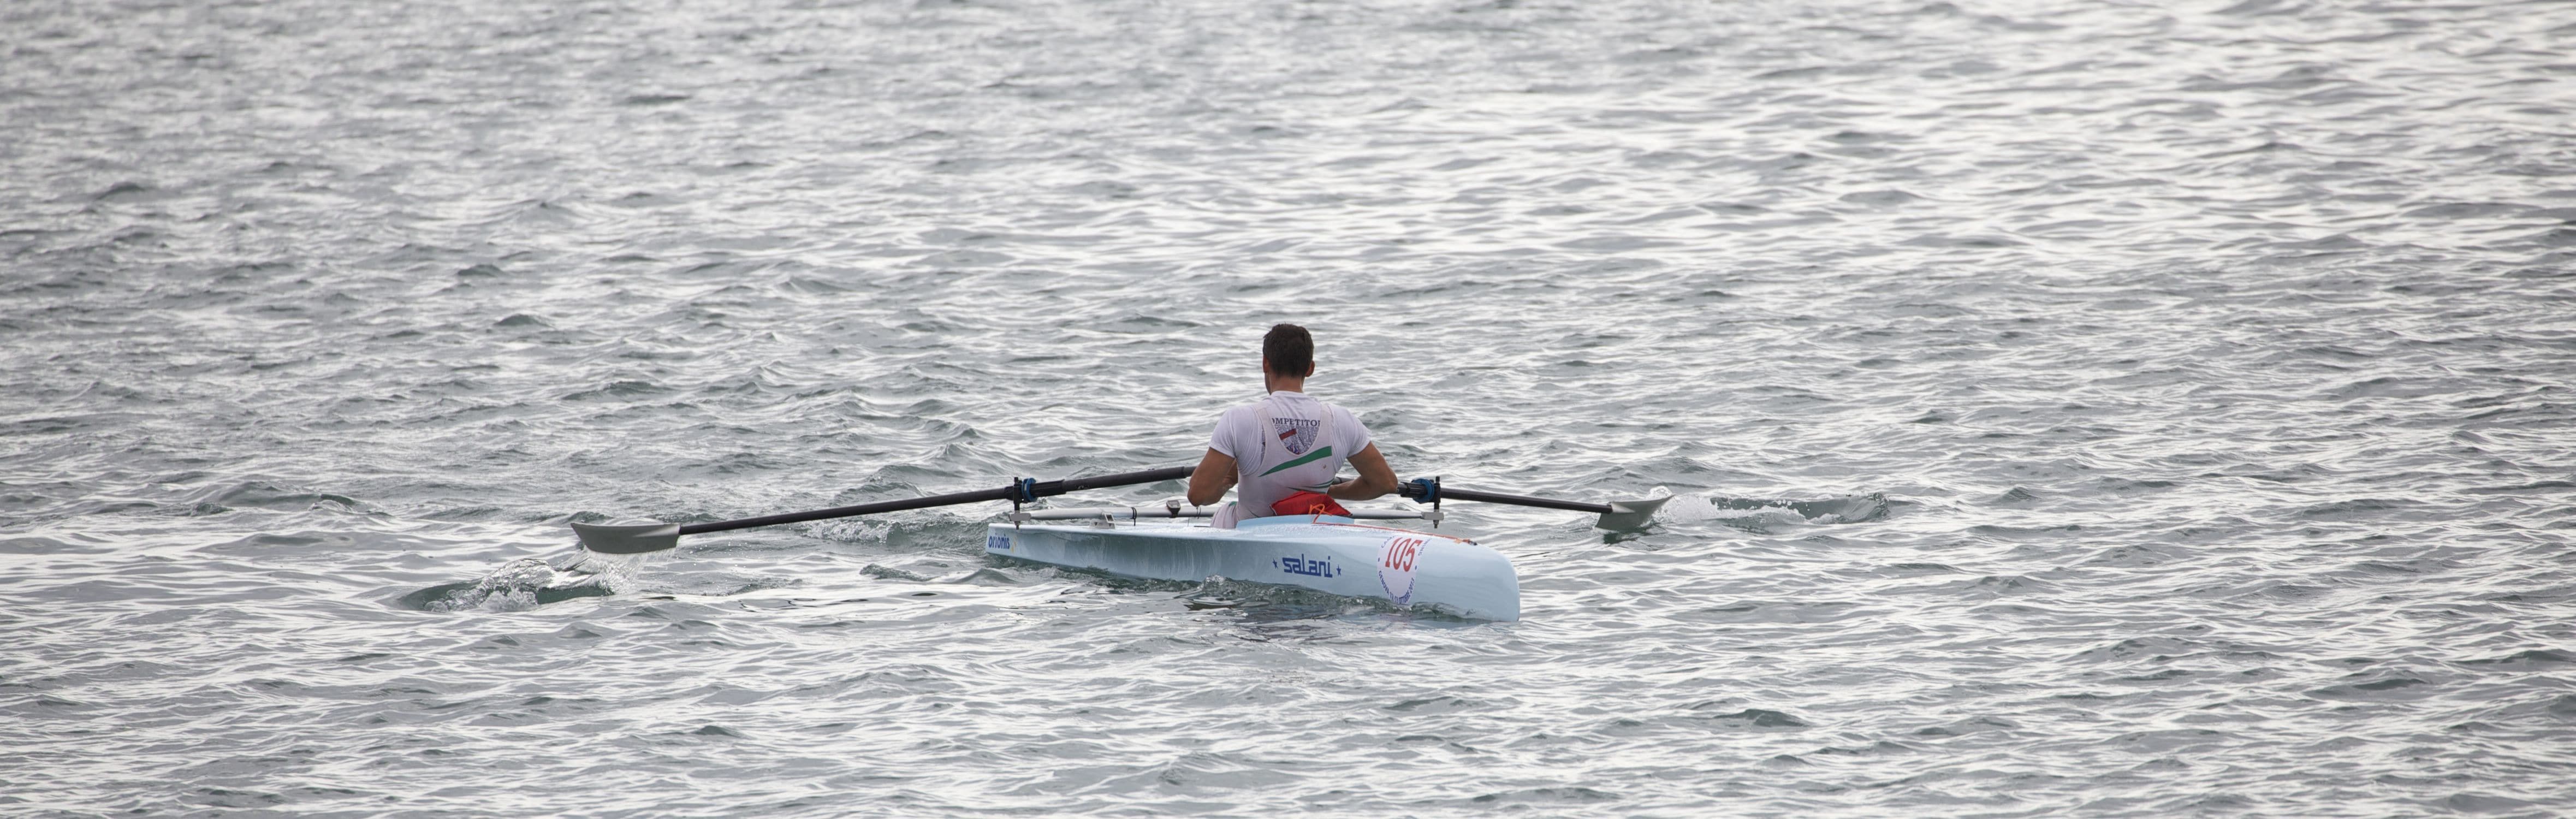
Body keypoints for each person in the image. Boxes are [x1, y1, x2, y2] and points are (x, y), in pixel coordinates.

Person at [1186, 323, 1397, 528]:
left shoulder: (1239, 419)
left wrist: (1229, 479)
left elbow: (1198, 495)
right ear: (1310, 368)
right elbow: (1385, 483)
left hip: (1252, 536)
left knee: (1225, 512)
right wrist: (1329, 491)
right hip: (1310, 535)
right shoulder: (1342, 420)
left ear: (1265, 364)